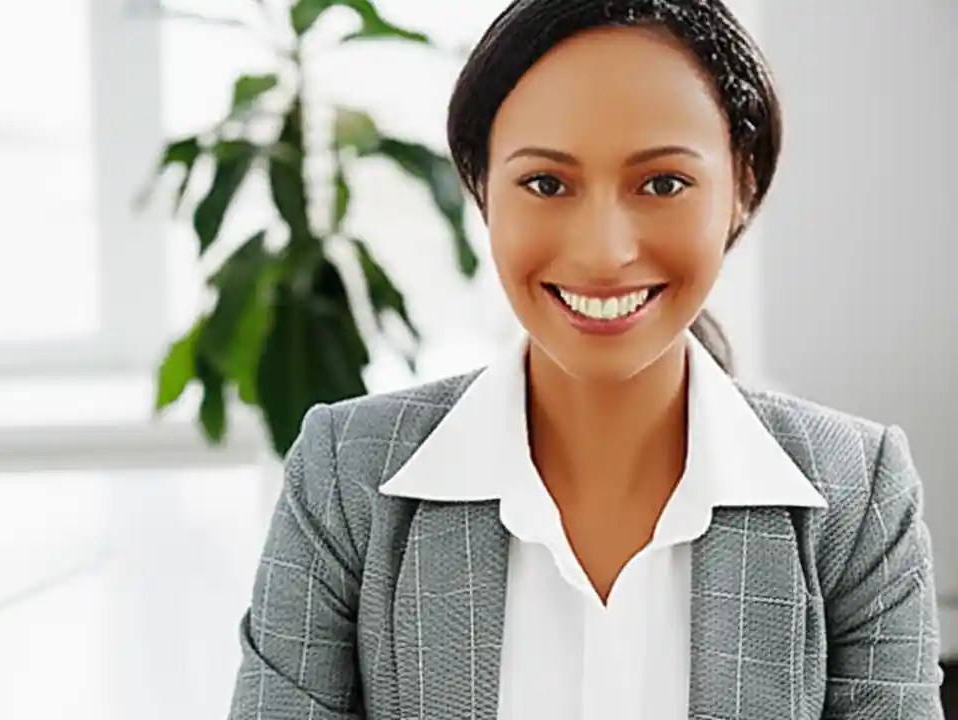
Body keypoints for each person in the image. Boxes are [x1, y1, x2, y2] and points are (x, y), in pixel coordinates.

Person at [228, 0, 944, 717]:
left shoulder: (858, 500)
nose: (604, 253)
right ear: (481, 190)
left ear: (742, 187)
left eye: (662, 183)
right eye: (546, 184)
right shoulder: (346, 478)